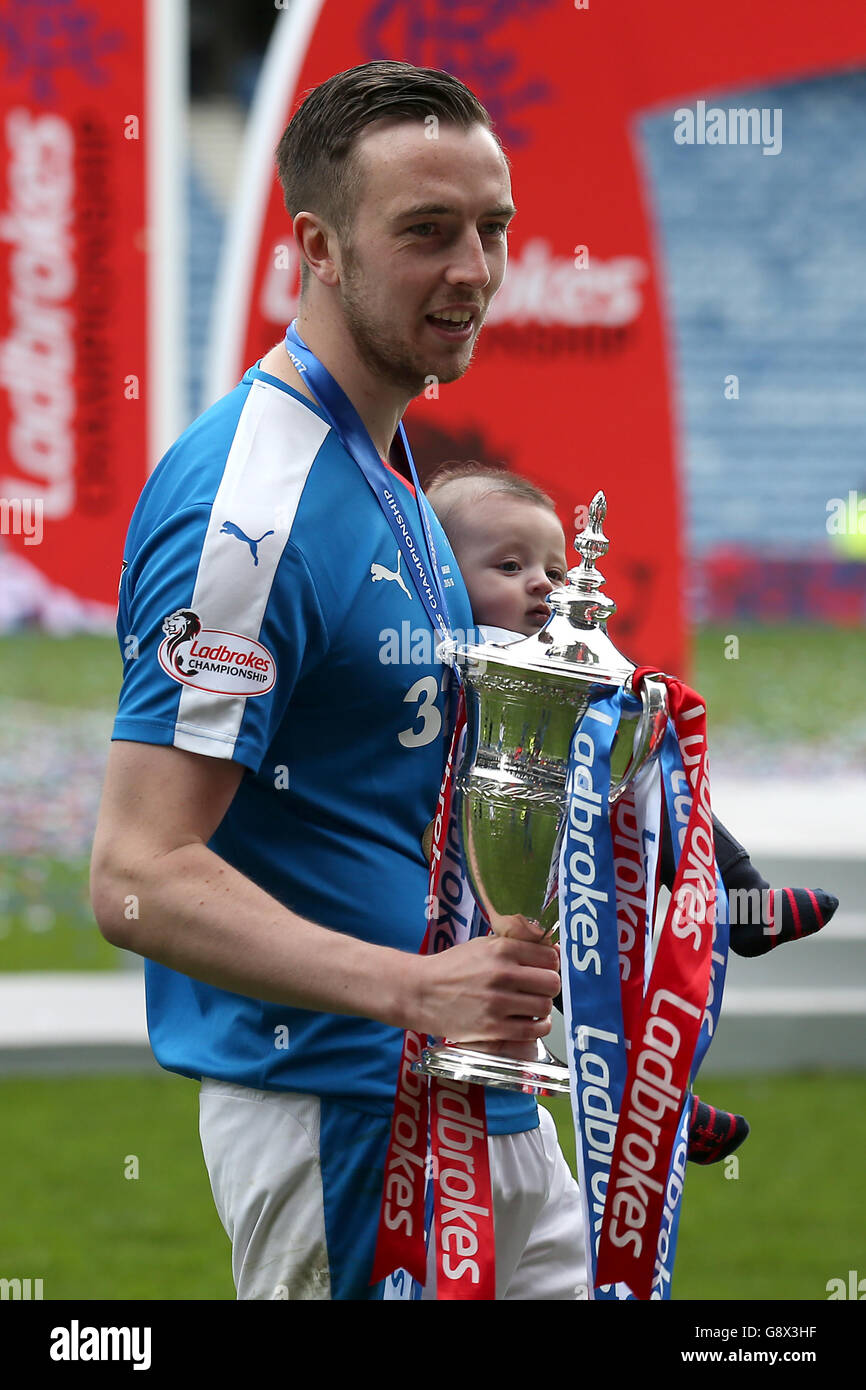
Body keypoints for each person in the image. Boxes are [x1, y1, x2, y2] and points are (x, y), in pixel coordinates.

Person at [90, 62, 588, 1301]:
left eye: (492, 229)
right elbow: (136, 876)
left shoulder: (392, 475)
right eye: (425, 232)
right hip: (337, 1103)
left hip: (478, 1090)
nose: (472, 270)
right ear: (315, 246)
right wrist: (419, 990)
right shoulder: (244, 508)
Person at [424, 461, 839, 1162]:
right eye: (509, 564)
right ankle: (659, 1098)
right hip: (479, 869)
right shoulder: (455, 657)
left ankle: (741, 907)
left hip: (559, 845)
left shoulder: (556, 656)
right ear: (440, 579)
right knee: (579, 978)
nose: (541, 585)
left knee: (655, 765)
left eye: (555, 571)